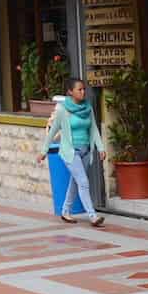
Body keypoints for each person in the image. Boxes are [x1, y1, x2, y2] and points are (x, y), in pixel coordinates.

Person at [37, 77, 106, 226]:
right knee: (83, 181)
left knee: (75, 182)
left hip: (86, 151)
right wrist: (43, 151)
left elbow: (93, 128)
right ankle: (93, 216)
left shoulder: (88, 108)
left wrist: (100, 148)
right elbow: (53, 131)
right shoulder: (63, 110)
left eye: (84, 89)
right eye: (79, 89)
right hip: (70, 152)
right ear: (70, 92)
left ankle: (65, 211)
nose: (83, 92)